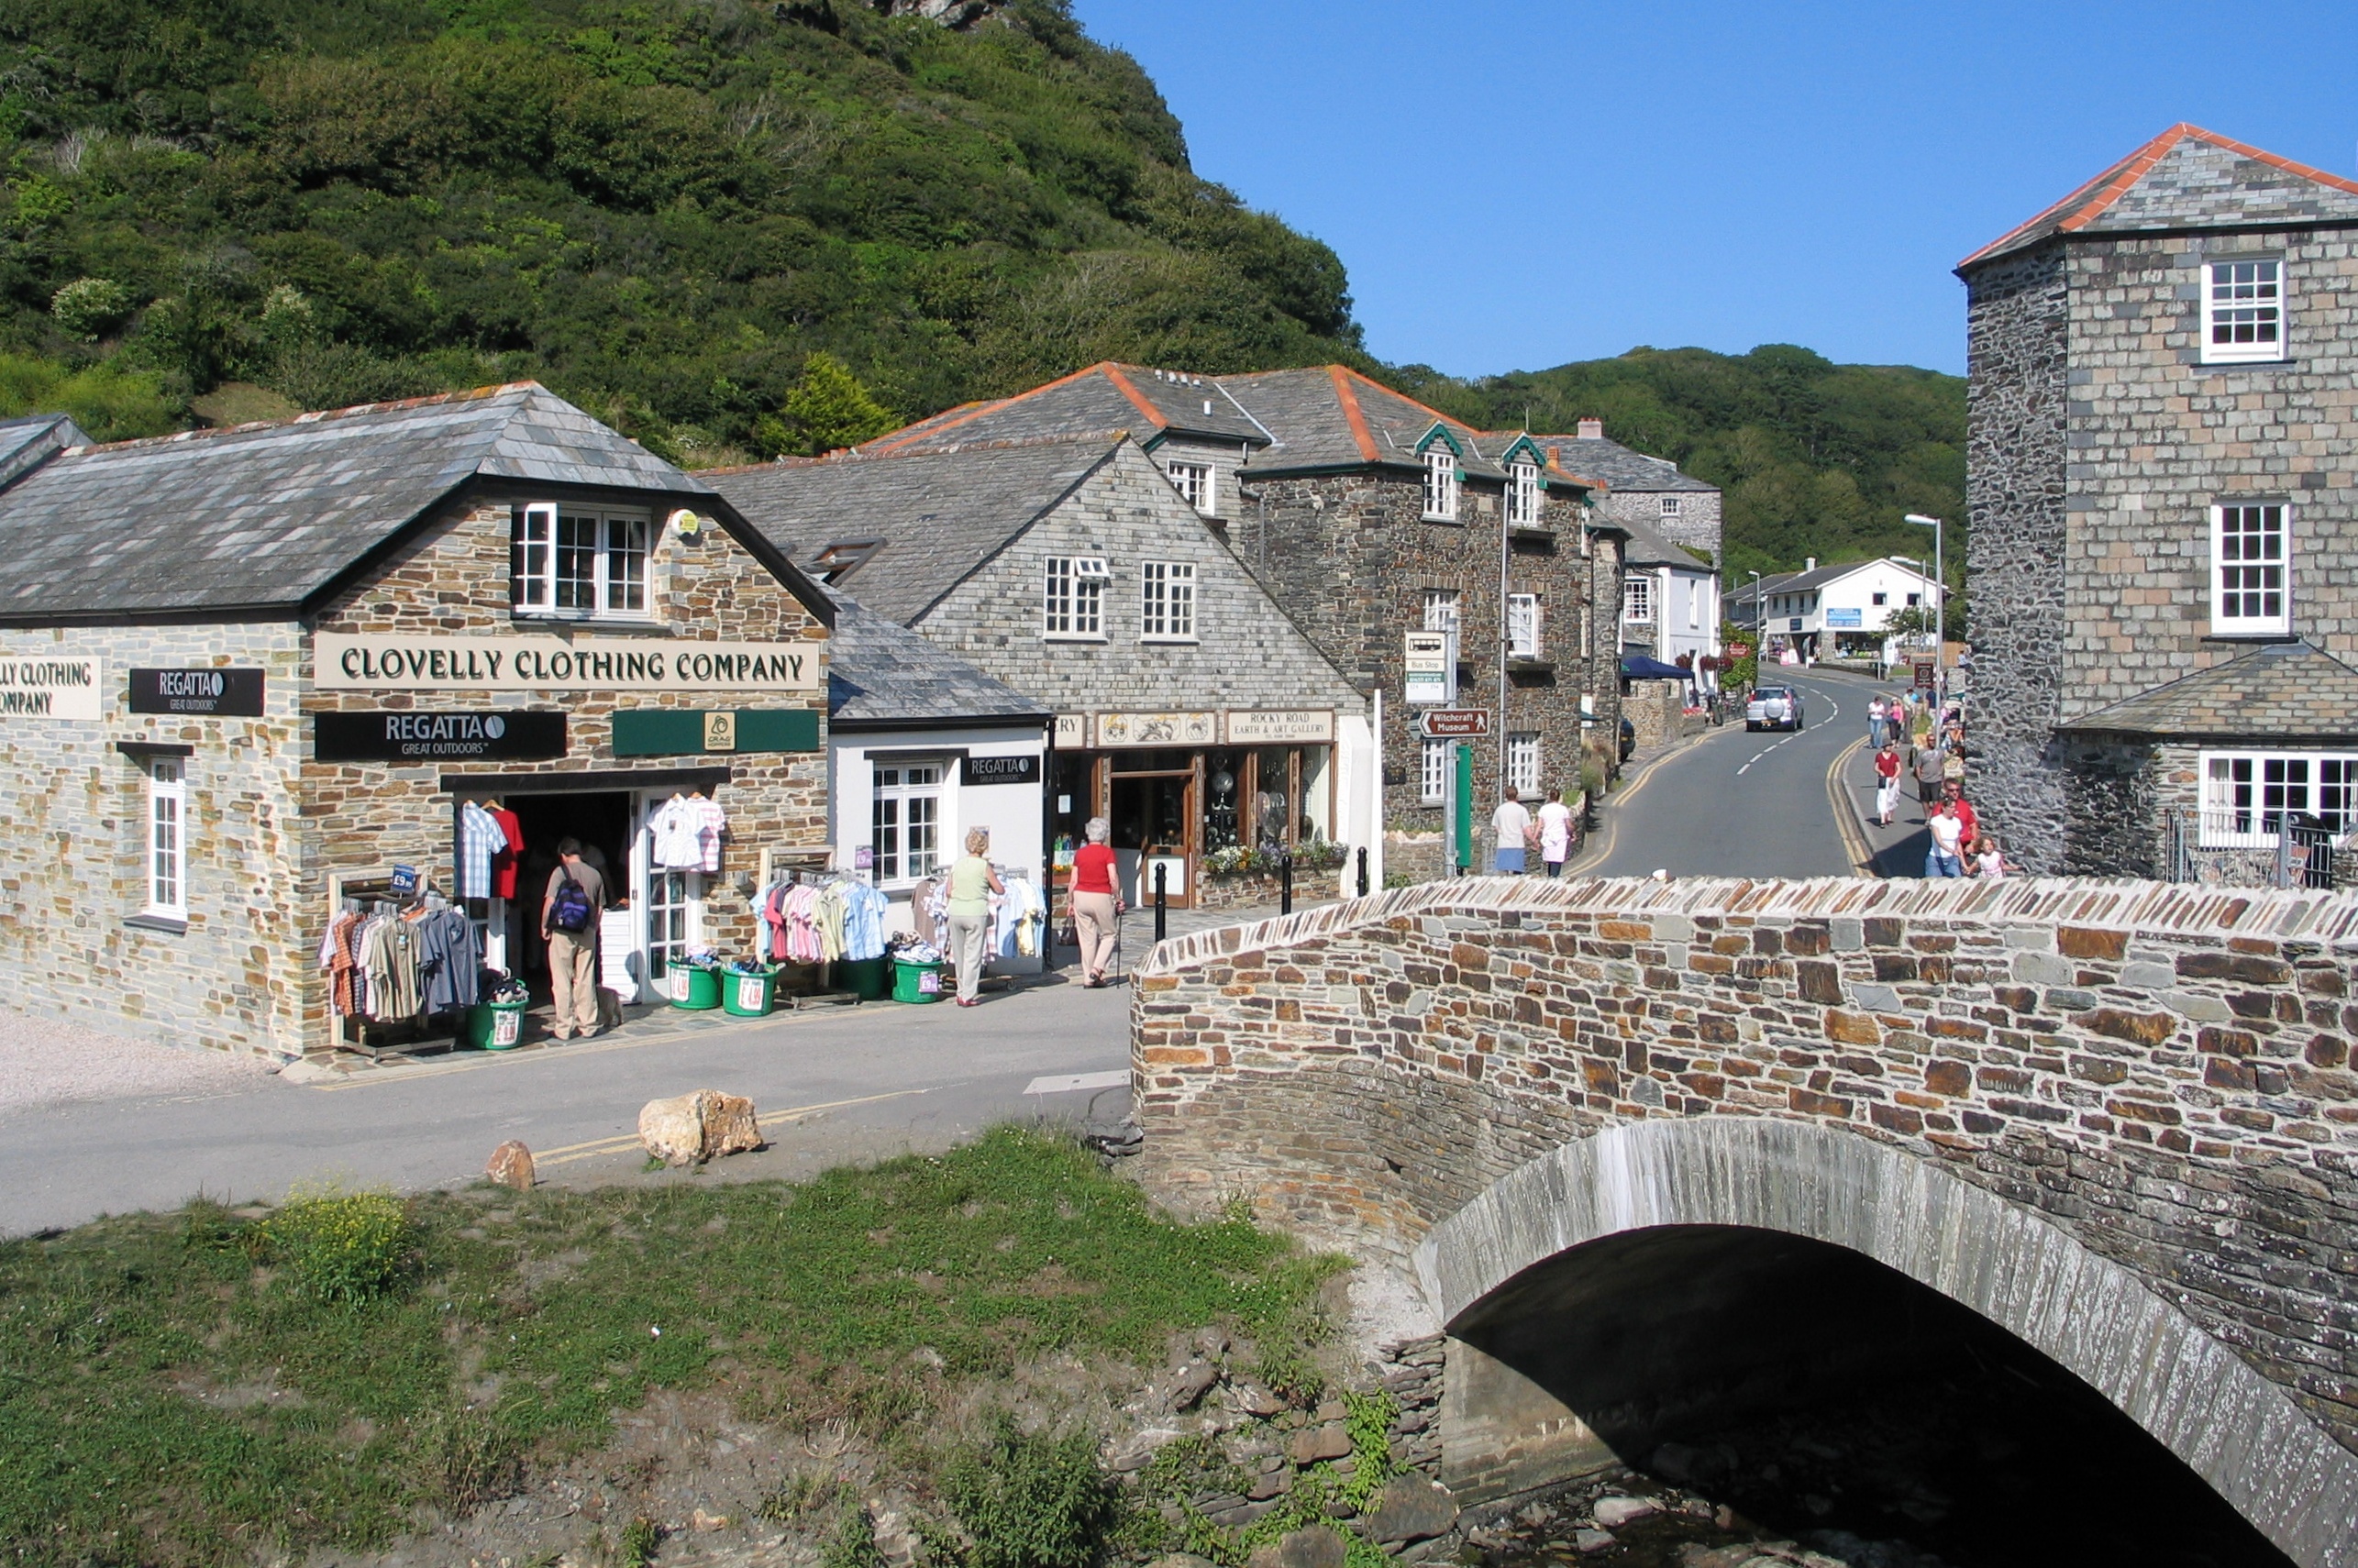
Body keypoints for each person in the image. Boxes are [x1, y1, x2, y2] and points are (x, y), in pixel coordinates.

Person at [540, 838, 607, 1040]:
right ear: (580, 853)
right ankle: (588, 1025)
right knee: (585, 979)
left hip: (563, 931)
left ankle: (563, 1028)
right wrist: (593, 929)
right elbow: (600, 907)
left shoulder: (560, 872)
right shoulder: (595, 874)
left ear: (563, 855)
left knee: (562, 979)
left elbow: (550, 903)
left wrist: (544, 926)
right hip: (586, 931)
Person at [946, 826, 1004, 1007]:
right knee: (973, 956)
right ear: (983, 847)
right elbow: (999, 889)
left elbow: (948, 891)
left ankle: (960, 990)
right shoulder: (983, 866)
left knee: (960, 954)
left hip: (955, 911)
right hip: (975, 912)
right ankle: (967, 995)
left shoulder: (957, 864)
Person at [1069, 817, 1123, 988]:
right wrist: (1118, 898)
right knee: (1109, 934)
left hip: (1080, 896)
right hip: (1101, 895)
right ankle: (1097, 969)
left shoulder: (1080, 853)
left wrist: (1070, 902)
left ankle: (1088, 978)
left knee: (1087, 939)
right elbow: (1113, 878)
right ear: (1104, 834)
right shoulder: (1107, 853)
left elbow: (1073, 880)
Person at [1491, 786, 1533, 875]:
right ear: (1517, 795)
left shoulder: (1499, 810)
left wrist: (1502, 833)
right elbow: (1526, 829)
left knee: (1502, 874)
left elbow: (1496, 827)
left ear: (1506, 796)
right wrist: (1534, 841)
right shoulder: (1522, 810)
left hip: (1503, 844)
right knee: (1517, 874)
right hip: (1517, 844)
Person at [1536, 787, 1575, 878]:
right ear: (1559, 797)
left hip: (1548, 837)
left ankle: (1551, 877)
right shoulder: (1563, 809)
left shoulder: (1544, 809)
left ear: (1550, 797)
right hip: (1560, 838)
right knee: (1557, 861)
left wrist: (1534, 838)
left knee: (1550, 860)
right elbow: (1569, 825)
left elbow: (1539, 825)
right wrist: (1572, 832)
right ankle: (1554, 879)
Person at [1924, 800, 1965, 878]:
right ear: (1944, 808)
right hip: (1936, 860)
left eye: (1954, 807)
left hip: (1952, 860)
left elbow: (1957, 843)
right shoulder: (1936, 821)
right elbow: (1939, 841)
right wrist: (1952, 851)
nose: (1953, 809)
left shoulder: (1957, 822)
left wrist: (1963, 863)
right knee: (1933, 885)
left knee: (1957, 881)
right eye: (1951, 807)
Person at [1911, 732, 1946, 811]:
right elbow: (1917, 766)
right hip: (1925, 779)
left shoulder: (1940, 752)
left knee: (1936, 799)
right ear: (1927, 741)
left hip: (1936, 779)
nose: (1932, 742)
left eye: (1934, 740)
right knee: (1925, 800)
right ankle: (1927, 818)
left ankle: (1935, 816)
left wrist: (1942, 777)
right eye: (1931, 740)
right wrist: (1919, 778)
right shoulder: (1921, 753)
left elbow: (1942, 765)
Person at [1873, 739, 1902, 826]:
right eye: (1888, 746)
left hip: (1893, 779)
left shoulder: (1895, 756)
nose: (1889, 747)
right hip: (1883, 780)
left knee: (1892, 798)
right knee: (1882, 798)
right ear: (1884, 747)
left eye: (1890, 745)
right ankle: (1882, 820)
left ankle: (1889, 817)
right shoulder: (1879, 756)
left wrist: (1894, 777)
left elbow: (1899, 768)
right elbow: (1876, 767)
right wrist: (1880, 771)